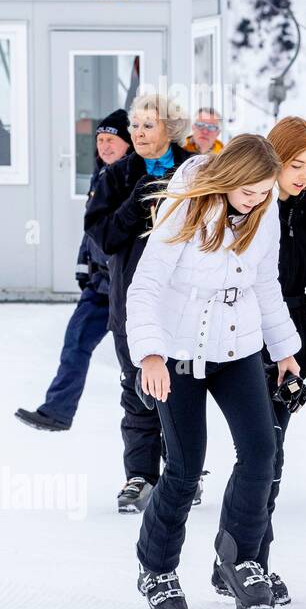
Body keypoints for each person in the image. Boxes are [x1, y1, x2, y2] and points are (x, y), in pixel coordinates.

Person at [128, 134, 301, 609]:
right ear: (229, 177)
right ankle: (156, 569)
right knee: (185, 466)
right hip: (178, 352)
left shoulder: (264, 211)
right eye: (249, 190)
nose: (258, 199)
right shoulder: (186, 207)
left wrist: (286, 351)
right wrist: (151, 355)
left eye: (265, 191)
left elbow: (266, 283)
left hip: (237, 345)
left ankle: (239, 560)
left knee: (261, 452)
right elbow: (145, 287)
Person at [205, 117, 306, 607]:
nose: (301, 175)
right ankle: (243, 560)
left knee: (269, 456)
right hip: (243, 342)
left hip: (289, 344)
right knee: (260, 454)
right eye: (295, 164)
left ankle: (245, 560)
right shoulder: (247, 210)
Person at [84, 94, 195, 513]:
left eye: (148, 125)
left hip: (186, 303)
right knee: (137, 390)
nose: (139, 133)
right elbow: (103, 238)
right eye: (136, 126)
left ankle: (183, 470)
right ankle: (140, 476)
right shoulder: (117, 176)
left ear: (171, 127)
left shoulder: (195, 170)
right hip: (131, 303)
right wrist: (135, 205)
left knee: (182, 388)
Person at [16, 109, 132, 431]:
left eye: (112, 140)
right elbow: (91, 231)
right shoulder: (100, 177)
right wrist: (84, 267)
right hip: (98, 287)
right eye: (100, 140)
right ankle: (57, 411)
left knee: (140, 370)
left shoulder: (132, 179)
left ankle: (173, 450)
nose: (105, 146)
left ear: (128, 144)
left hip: (127, 291)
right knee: (75, 343)